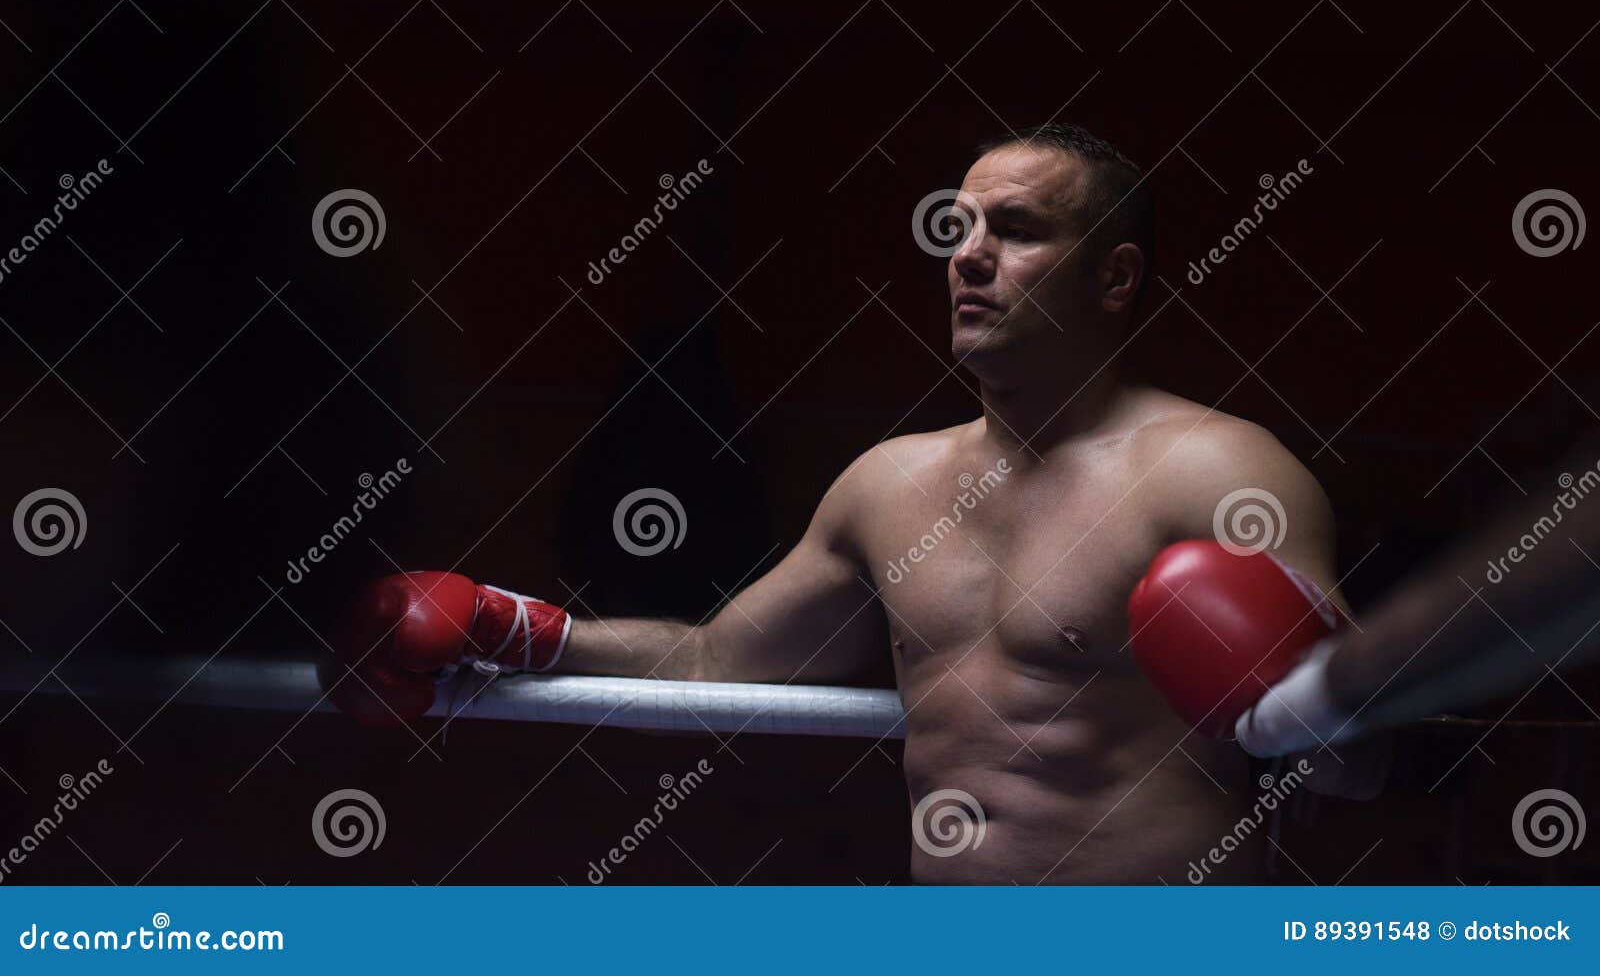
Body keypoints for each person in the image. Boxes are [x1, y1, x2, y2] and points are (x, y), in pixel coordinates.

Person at [330, 124, 1384, 884]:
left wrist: (1308, 695)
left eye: (1015, 231)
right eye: (960, 229)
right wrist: (513, 629)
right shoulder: (892, 487)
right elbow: (717, 663)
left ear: (1114, 278)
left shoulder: (1214, 471)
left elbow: (1357, 766)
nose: (968, 256)